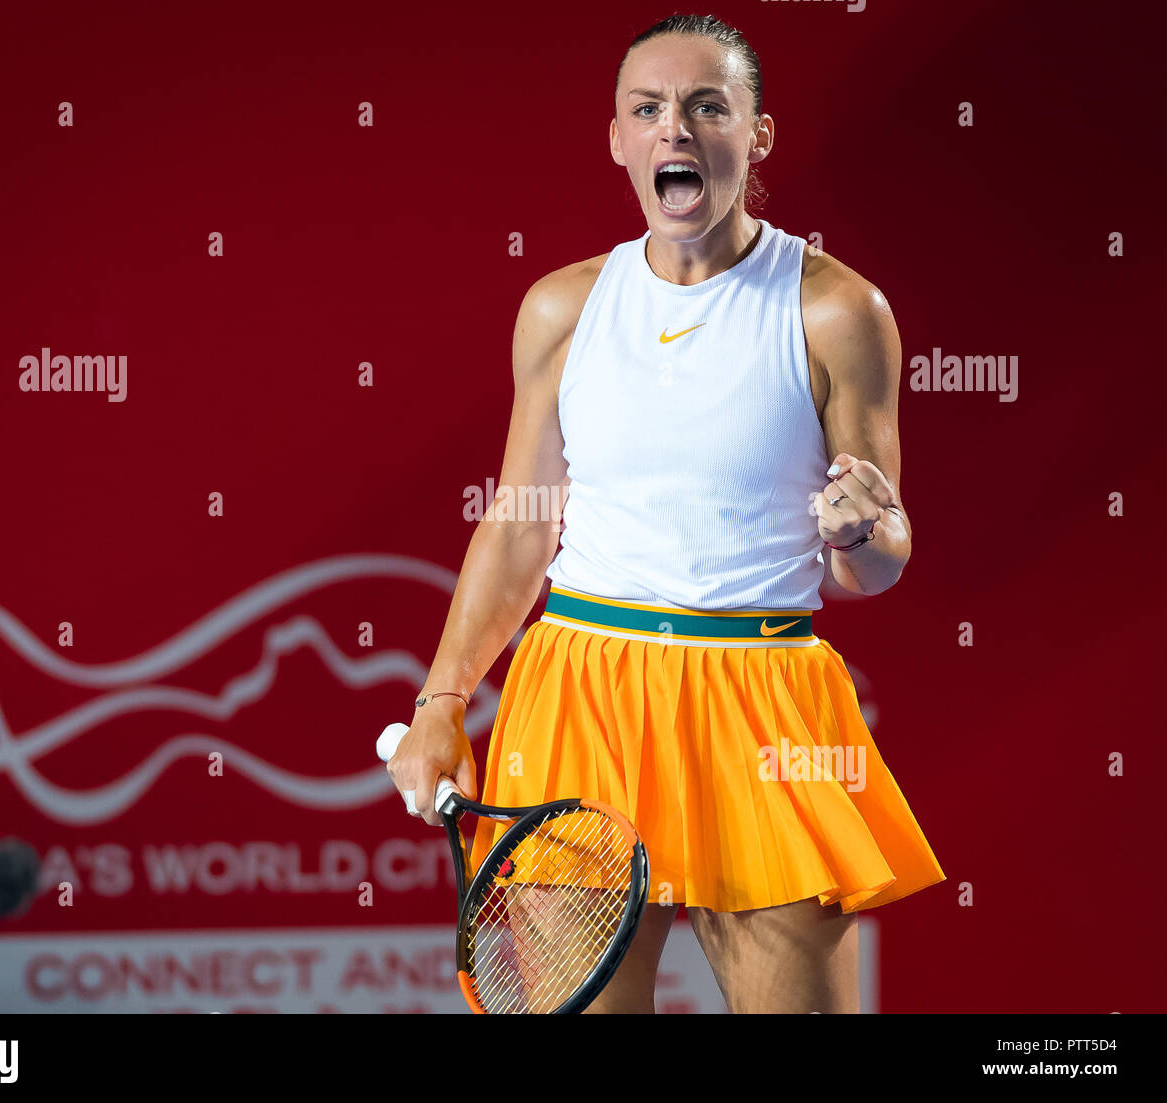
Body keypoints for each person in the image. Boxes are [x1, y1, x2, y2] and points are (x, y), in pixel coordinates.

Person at [386, 13, 944, 1014]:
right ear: (618, 139)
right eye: (648, 110)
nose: (673, 130)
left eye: (704, 107)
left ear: (755, 134)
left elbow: (876, 557)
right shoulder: (562, 308)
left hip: (765, 700)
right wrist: (440, 703)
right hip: (579, 691)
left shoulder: (837, 311)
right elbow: (519, 525)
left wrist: (863, 533)